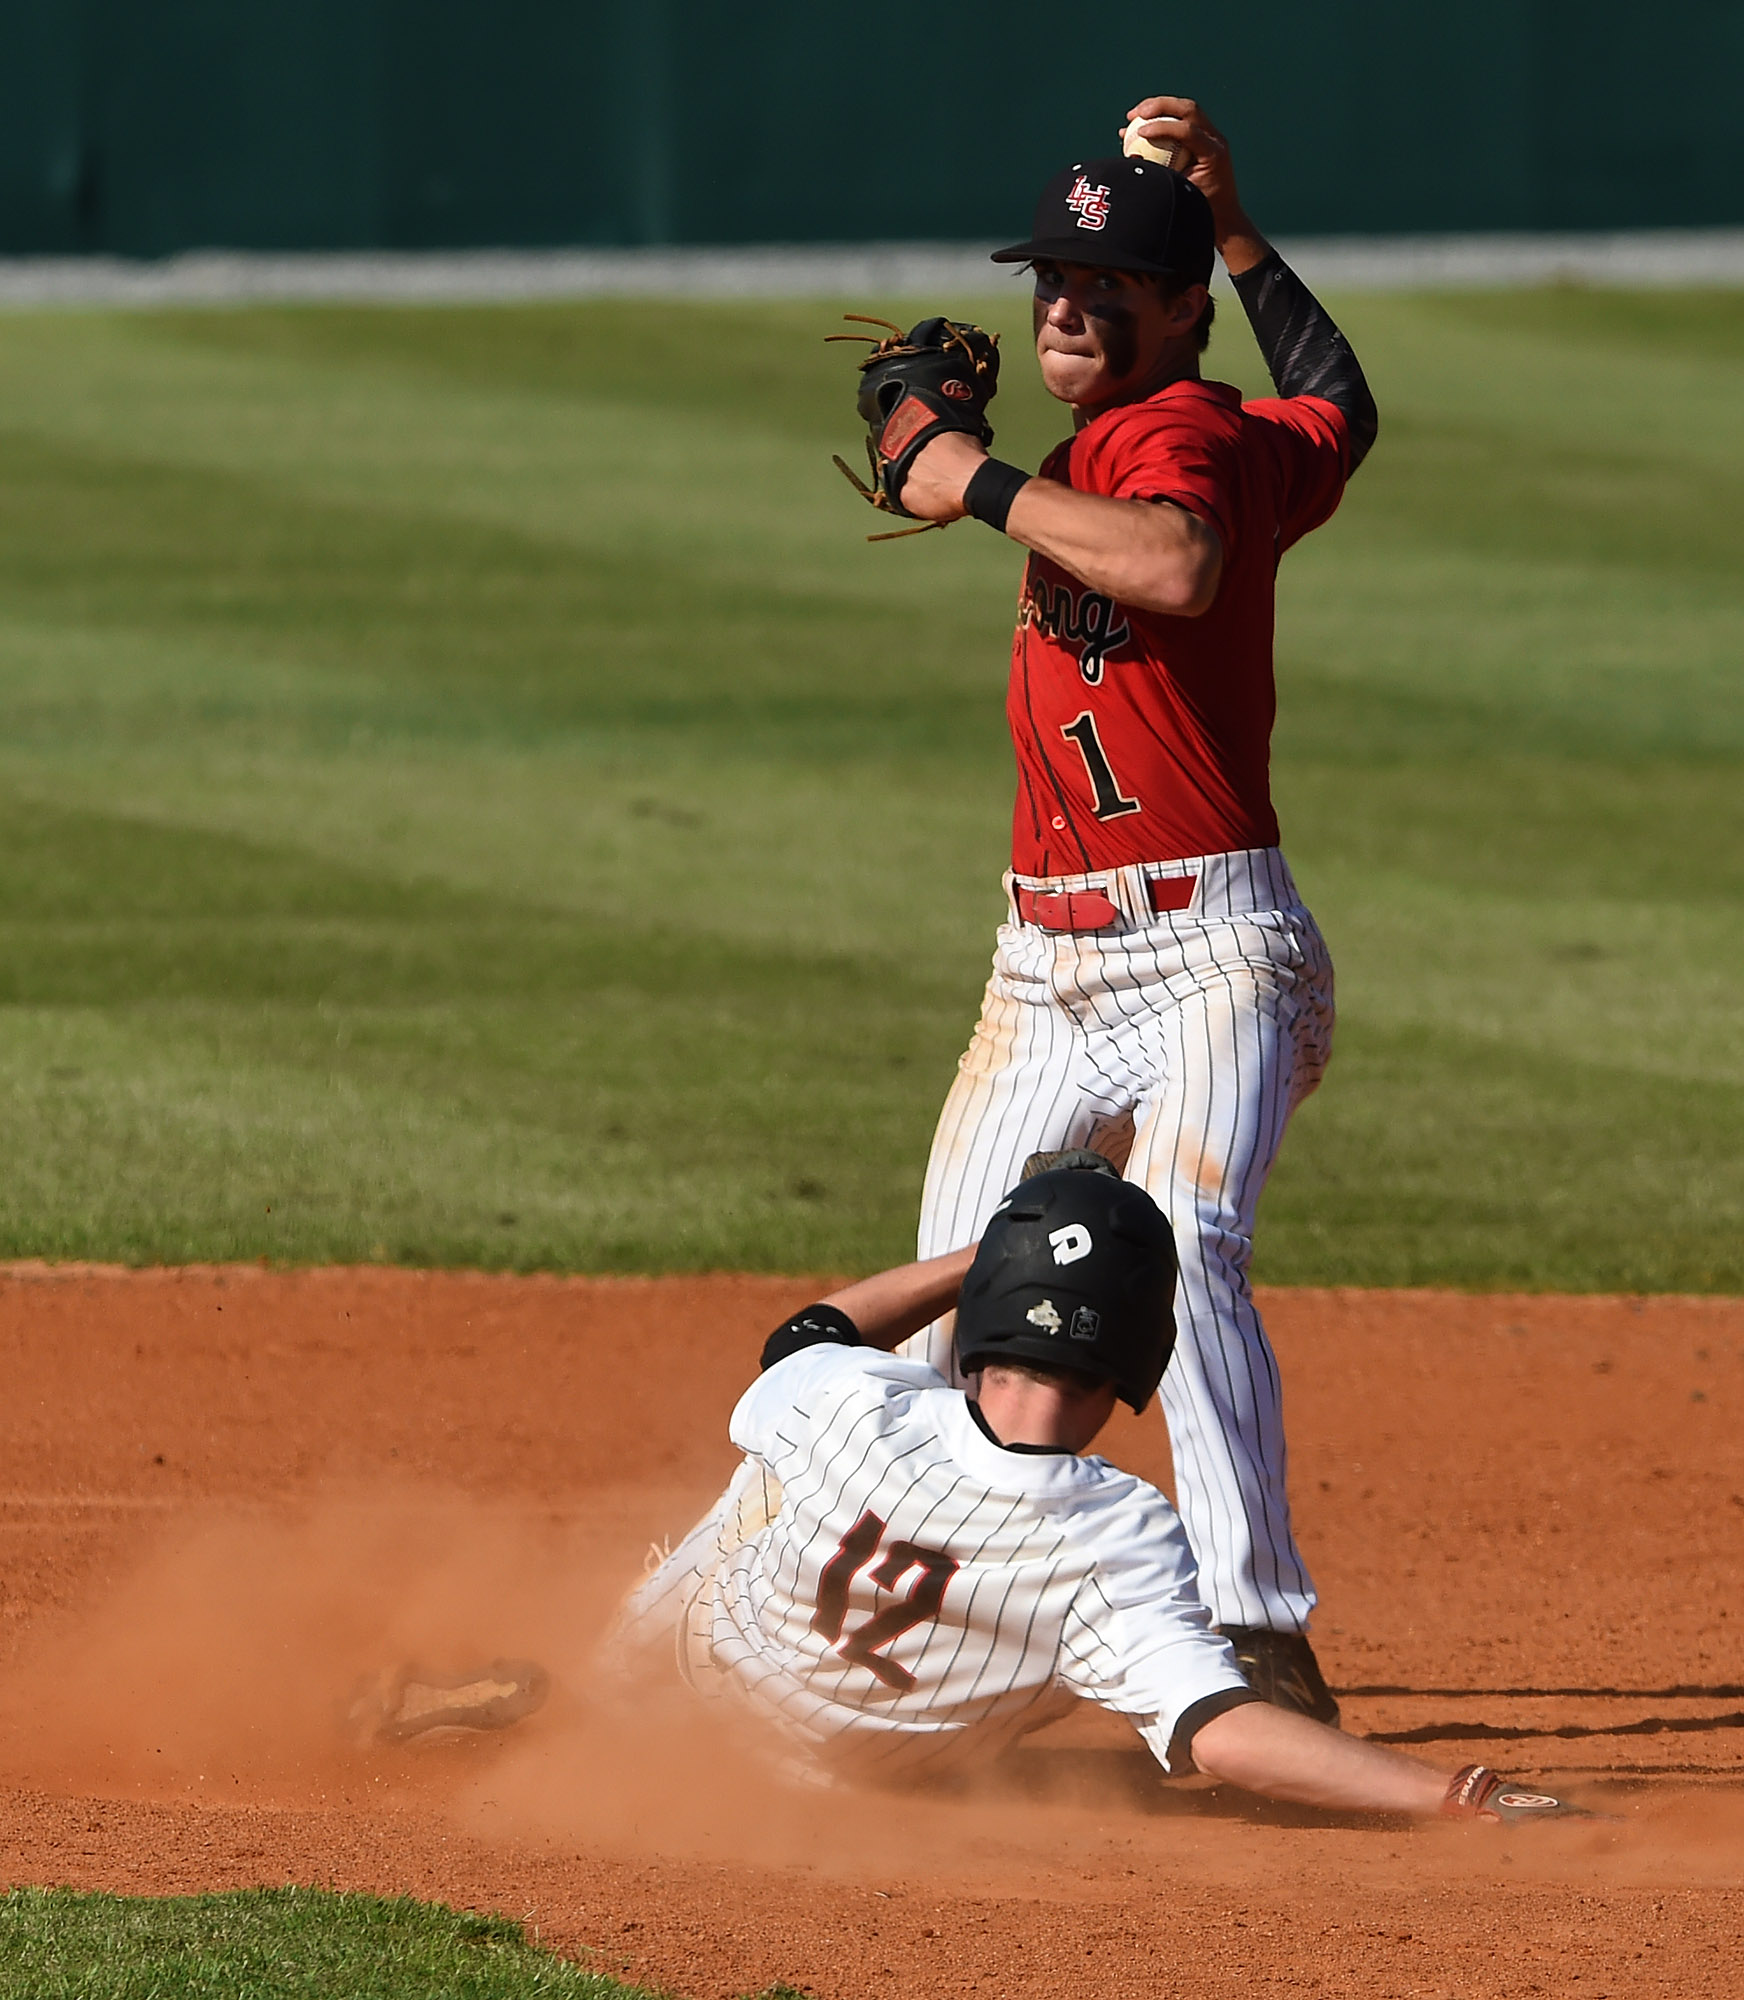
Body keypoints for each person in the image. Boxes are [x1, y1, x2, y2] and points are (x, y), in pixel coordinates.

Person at [885, 97, 1378, 1718]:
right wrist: (1231, 225)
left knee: (1195, 1245)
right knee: (946, 1284)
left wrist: (967, 476)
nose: (1066, 309)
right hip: (1042, 965)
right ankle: (906, 1621)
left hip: (1211, 957)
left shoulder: (1180, 439)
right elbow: (1340, 408)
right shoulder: (1259, 432)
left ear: (1173, 320)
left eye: (1109, 284)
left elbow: (1169, 567)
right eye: (1052, 282)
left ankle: (1254, 1643)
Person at [606, 1160, 1587, 1825]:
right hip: (818, 1787)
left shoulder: (858, 1404)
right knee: (1070, 1644)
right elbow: (1223, 1732)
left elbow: (808, 1334)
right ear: (1138, 1350)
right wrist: (1458, 1793)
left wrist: (992, 1245)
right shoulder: (1112, 1532)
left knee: (765, 1480)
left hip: (664, 1695)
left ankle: (591, 1681)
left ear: (985, 1302)